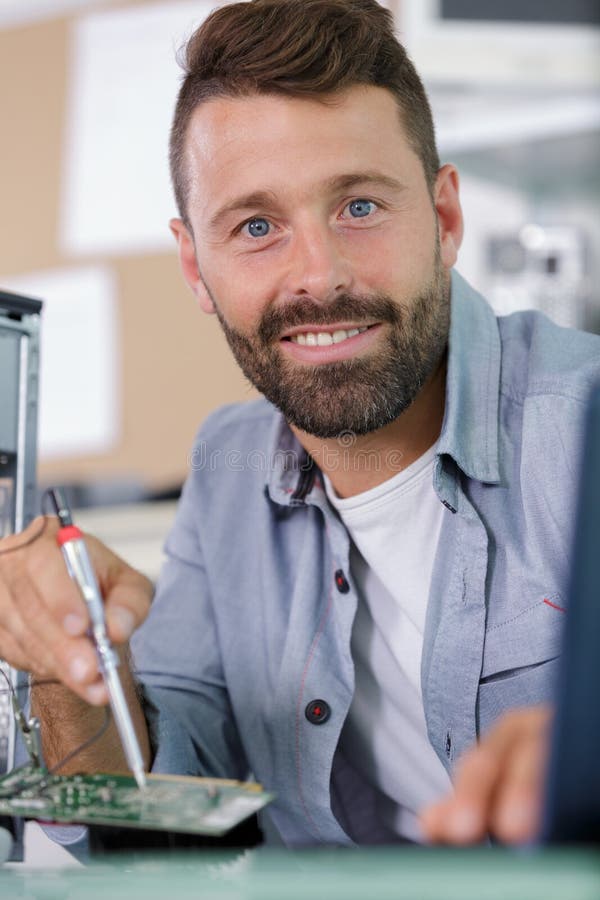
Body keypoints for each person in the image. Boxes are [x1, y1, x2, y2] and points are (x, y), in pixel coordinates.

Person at [1, 0, 599, 849]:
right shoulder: (226, 465)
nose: (317, 276)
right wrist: (70, 666)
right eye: (256, 227)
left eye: (359, 206)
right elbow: (153, 809)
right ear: (195, 266)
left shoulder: (581, 426)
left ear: (446, 220)